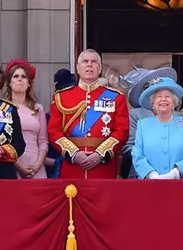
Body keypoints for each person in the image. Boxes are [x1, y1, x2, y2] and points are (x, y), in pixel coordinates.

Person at [49, 48, 129, 180]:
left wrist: (99, 154)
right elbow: (53, 131)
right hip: (72, 167)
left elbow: (122, 132)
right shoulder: (61, 97)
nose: (89, 64)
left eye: (94, 62)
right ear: (78, 67)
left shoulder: (116, 97)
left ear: (100, 68)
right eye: (85, 61)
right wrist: (74, 154)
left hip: (103, 168)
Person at [131, 74, 183, 179]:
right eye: (159, 96)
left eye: (167, 96)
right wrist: (151, 175)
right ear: (153, 103)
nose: (163, 99)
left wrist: (174, 174)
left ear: (174, 102)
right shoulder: (143, 125)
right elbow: (137, 155)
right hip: (149, 185)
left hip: (179, 185)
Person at [6, 60, 50, 179]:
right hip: (11, 165)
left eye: (24, 77)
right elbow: (2, 143)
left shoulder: (38, 109)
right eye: (16, 76)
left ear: (29, 83)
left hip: (35, 164)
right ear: (9, 82)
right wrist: (18, 166)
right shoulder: (2, 109)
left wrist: (38, 164)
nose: (20, 79)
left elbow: (43, 141)